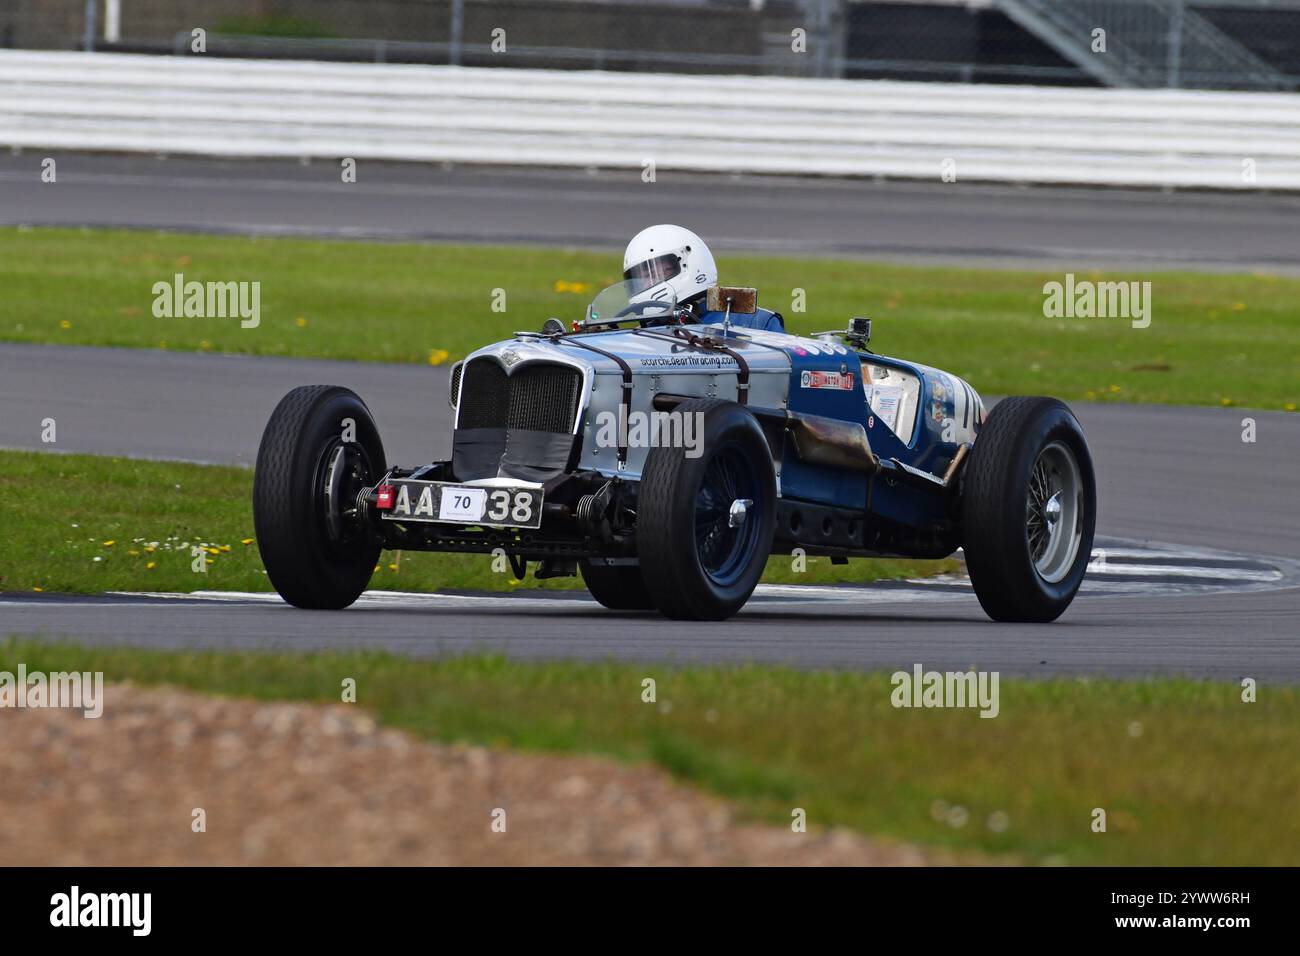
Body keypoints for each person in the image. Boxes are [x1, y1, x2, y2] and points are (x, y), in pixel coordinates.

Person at [622, 224, 785, 332]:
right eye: (642, 277)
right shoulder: (640, 335)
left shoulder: (755, 323)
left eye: (662, 271)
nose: (649, 283)